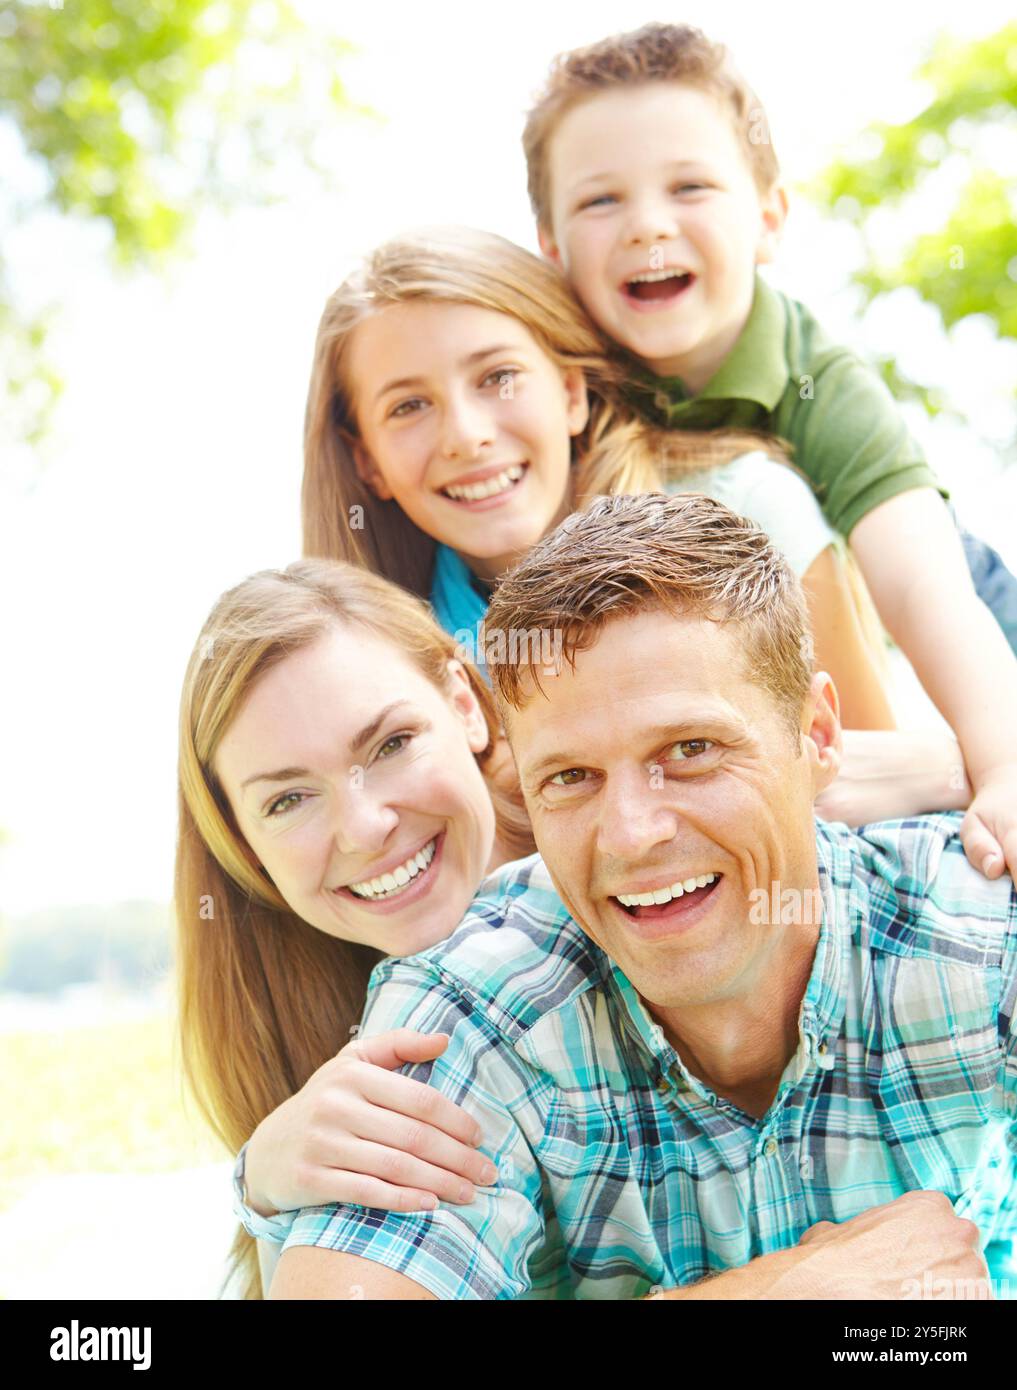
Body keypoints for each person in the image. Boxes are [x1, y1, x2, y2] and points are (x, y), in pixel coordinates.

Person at [265, 494, 1015, 1301]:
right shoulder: (478, 1005)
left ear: (818, 738)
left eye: (690, 750)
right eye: (570, 777)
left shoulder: (974, 935)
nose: (628, 835)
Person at [523, 21, 1017, 883]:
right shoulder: (553, 382)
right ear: (552, 247)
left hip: (944, 603)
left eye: (689, 186)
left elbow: (920, 585)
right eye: (601, 200)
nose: (646, 225)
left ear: (767, 219)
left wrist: (1002, 763)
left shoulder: (813, 371)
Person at [301, 224, 894, 729]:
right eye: (408, 407)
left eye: (497, 377)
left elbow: (879, 783)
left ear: (570, 392)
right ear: (368, 462)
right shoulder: (393, 658)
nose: (465, 435)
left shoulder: (751, 513)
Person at [174, 559, 533, 1298]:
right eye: (289, 800)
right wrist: (265, 1190)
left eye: (391, 744)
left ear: (465, 704)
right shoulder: (296, 1014)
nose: (365, 829)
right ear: (244, 845)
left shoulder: (627, 869)